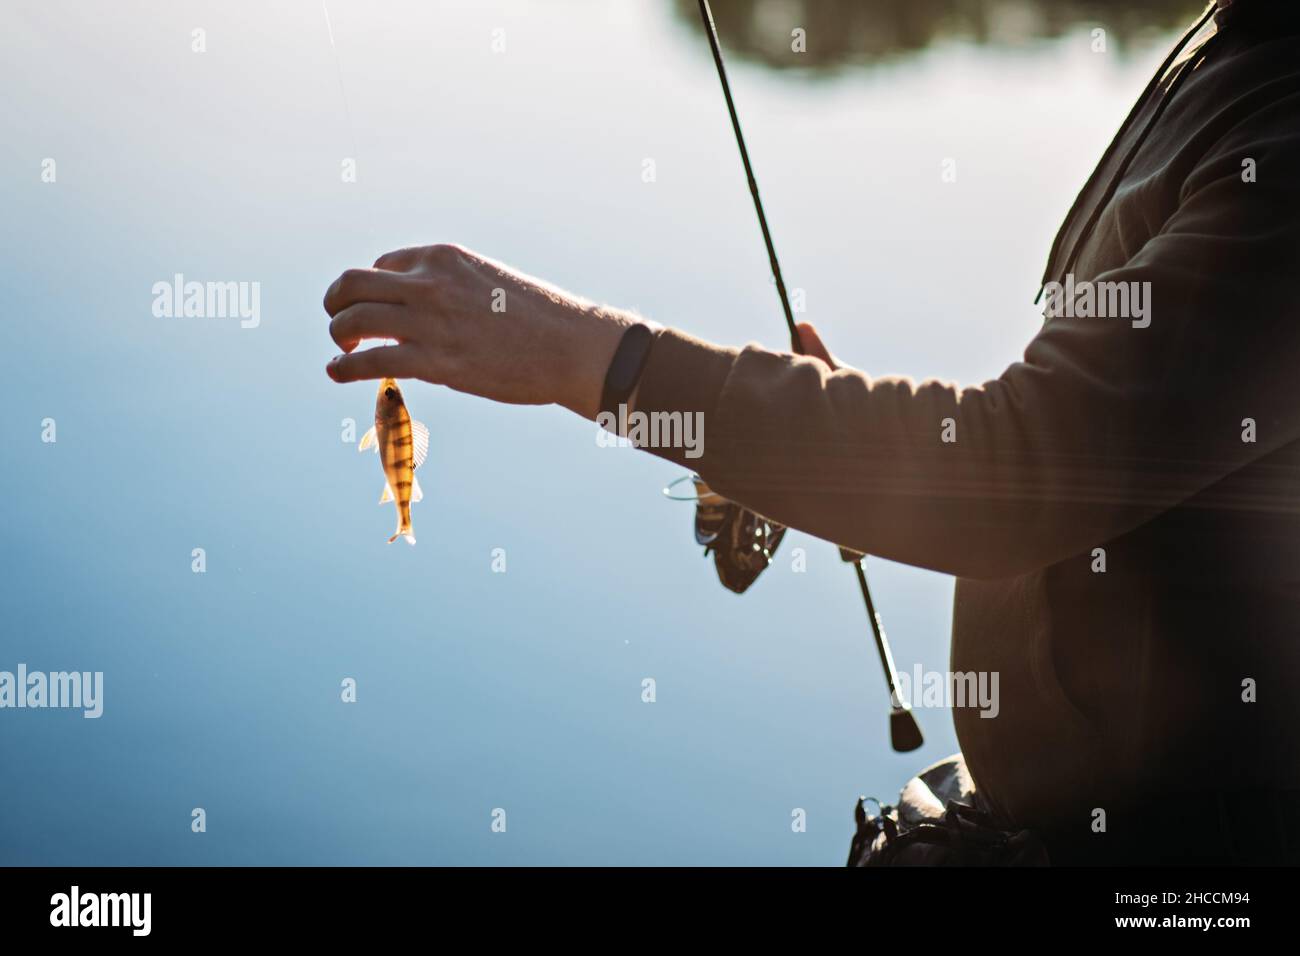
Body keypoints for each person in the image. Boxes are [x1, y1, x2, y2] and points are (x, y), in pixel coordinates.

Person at [322, 0, 1300, 864]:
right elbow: (1109, 436)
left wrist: (582, 357)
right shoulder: (1235, 43)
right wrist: (825, 446)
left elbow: (1023, 466)